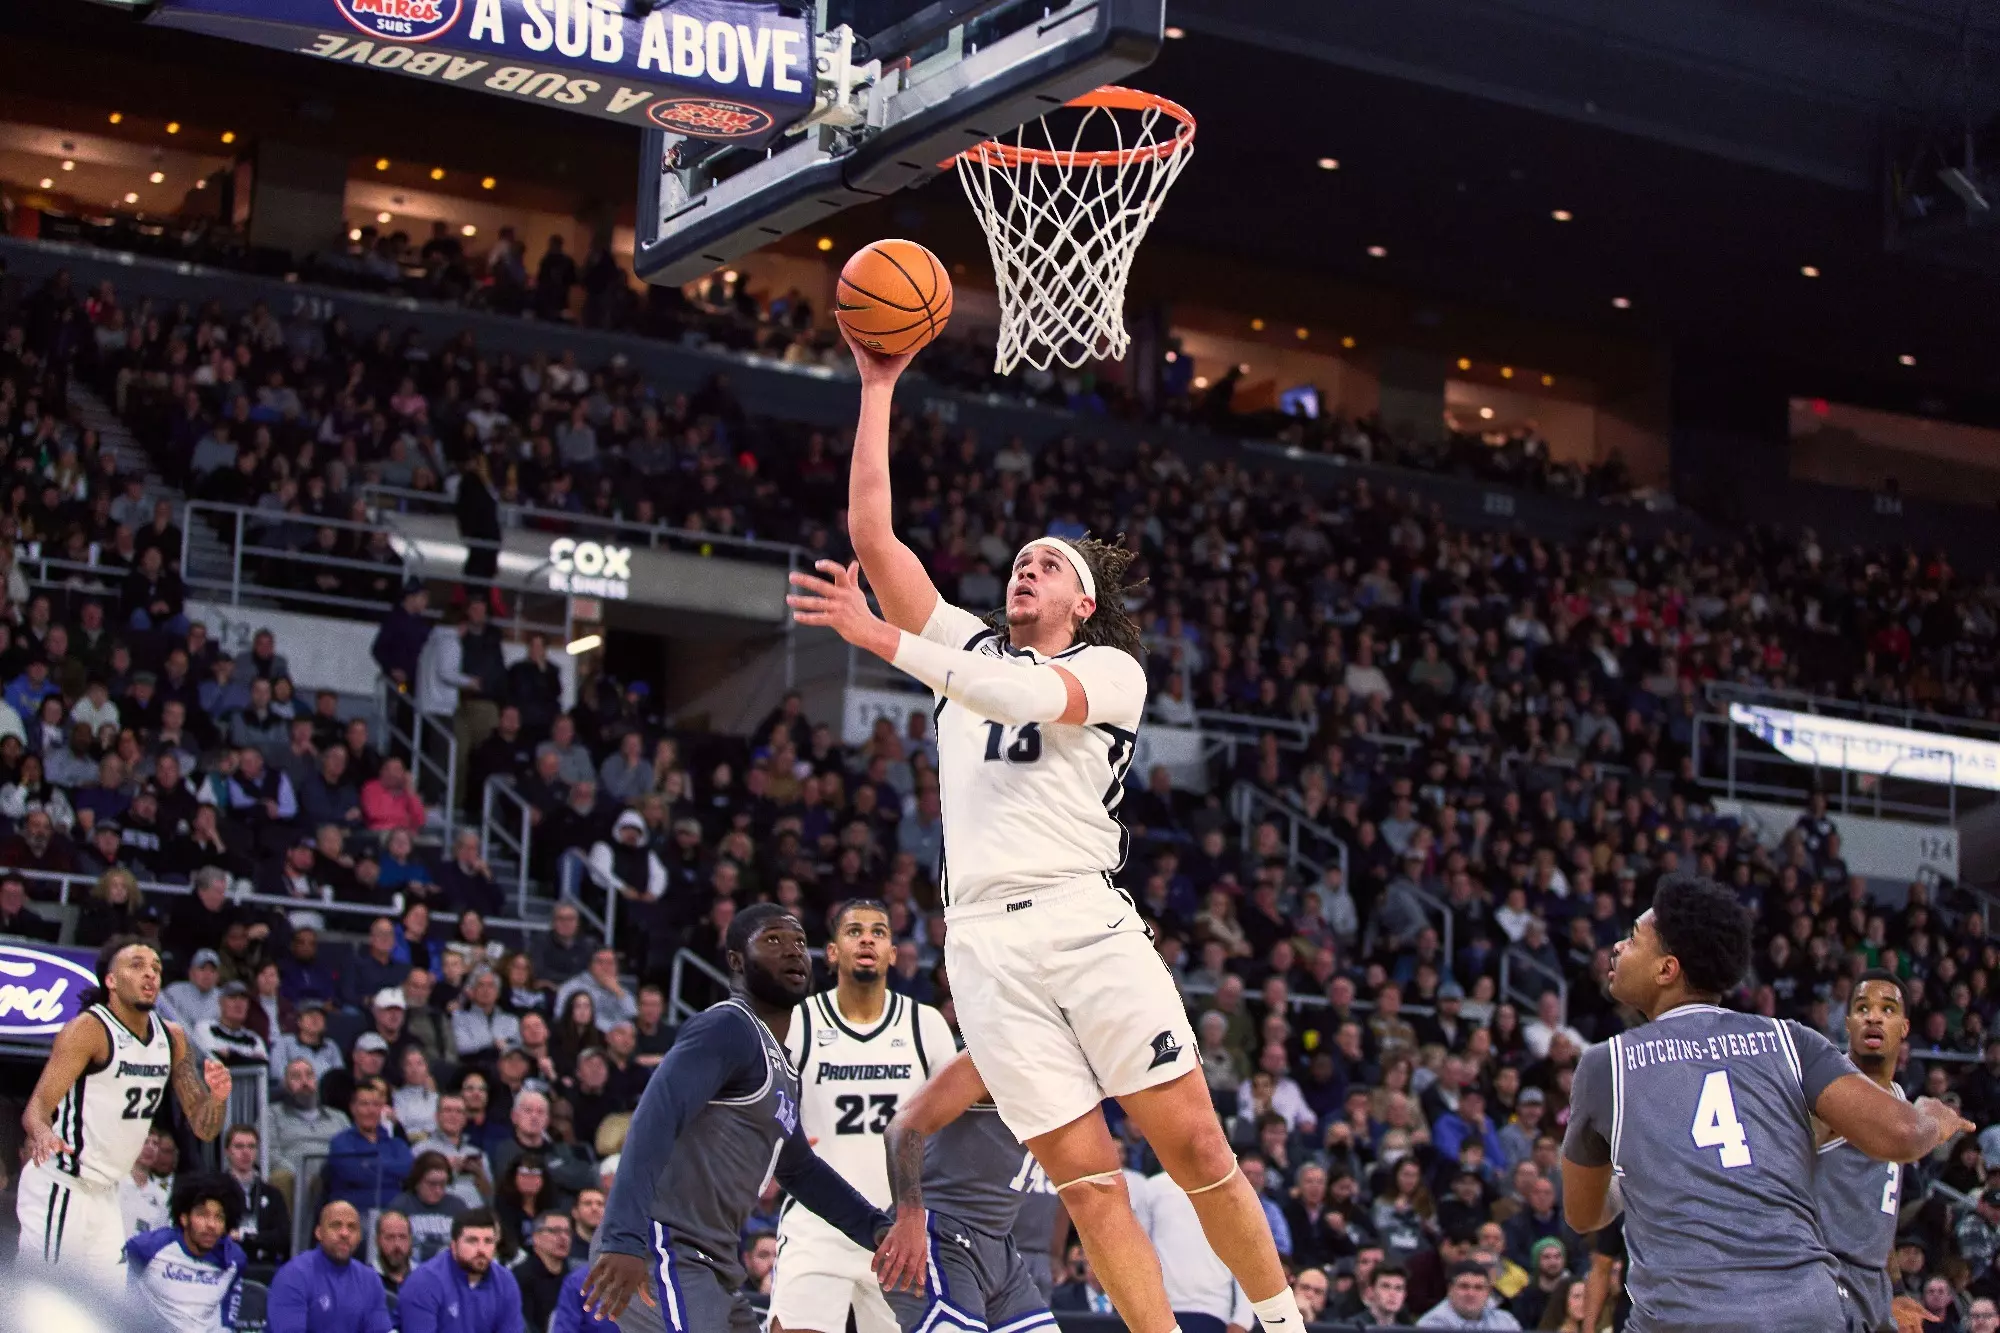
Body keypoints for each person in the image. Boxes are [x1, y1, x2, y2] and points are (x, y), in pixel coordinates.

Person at [809, 333, 1303, 1333]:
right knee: (1088, 1183)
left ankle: (1285, 1323)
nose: (1026, 569)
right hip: (983, 944)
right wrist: (877, 384)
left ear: (1083, 601)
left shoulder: (1111, 671)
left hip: (1083, 920)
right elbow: (872, 535)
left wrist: (884, 639)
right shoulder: (964, 642)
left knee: (1197, 1148)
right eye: (1020, 561)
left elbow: (1008, 693)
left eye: (1049, 564)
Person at [1562, 874, 1972, 1333]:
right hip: (1806, 1313)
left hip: (1686, 1318)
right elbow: (1904, 1135)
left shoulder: (1606, 1065)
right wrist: (1933, 1116)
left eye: (1633, 938)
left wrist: (1632, 1178)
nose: (1618, 947)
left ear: (1667, 970)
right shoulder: (1788, 1040)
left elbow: (1582, 1214)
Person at [578, 903, 893, 1331]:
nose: (793, 951)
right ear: (736, 961)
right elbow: (655, 1117)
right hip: (663, 1243)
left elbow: (800, 1169)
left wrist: (876, 1229)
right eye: (773, 940)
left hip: (714, 1263)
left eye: (800, 942)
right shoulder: (727, 1027)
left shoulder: (784, 1066)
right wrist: (623, 1236)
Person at [773, 898, 955, 1333]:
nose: (867, 940)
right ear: (832, 952)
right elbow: (765, 1113)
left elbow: (952, 1130)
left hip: (901, 1228)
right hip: (817, 1223)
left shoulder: (925, 1025)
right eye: (854, 931)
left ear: (893, 953)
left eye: (879, 932)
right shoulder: (798, 1022)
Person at [17, 935, 232, 1282]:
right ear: (111, 981)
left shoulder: (172, 1038)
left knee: (105, 1305)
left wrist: (217, 1098)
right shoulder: (89, 1030)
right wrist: (43, 1134)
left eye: (156, 968)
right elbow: (36, 1108)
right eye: (137, 965)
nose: (150, 974)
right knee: (41, 1298)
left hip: (107, 1193)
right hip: (63, 1183)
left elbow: (203, 1128)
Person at [873, 1049, 1060, 1333]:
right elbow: (903, 1127)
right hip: (939, 1235)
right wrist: (909, 1216)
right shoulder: (995, 1055)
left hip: (1000, 1248)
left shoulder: (1078, 1080)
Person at [1815, 969, 1933, 1333]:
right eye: (1862, 1008)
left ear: (1904, 1027)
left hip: (1872, 1282)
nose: (1873, 1017)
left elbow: (1880, 1217)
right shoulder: (1825, 1094)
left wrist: (1896, 1290)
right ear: (1848, 1023)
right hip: (1824, 1274)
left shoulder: (1900, 1102)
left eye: (1887, 1009)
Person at [126, 1172, 249, 1333]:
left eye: (219, 1217)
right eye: (203, 1215)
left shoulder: (233, 1259)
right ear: (184, 1218)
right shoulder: (147, 1248)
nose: (211, 1225)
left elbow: (228, 1316)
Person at [267, 1200, 395, 1333]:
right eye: (336, 1225)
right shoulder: (294, 1275)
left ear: (359, 1237)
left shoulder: (370, 1280)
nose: (345, 1233)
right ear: (319, 1232)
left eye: (352, 1227)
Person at [395, 1208, 524, 1333]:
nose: (481, 1249)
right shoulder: (424, 1282)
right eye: (472, 1241)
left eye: (488, 1241)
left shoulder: (505, 1281)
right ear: (453, 1245)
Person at [221, 1122, 292, 1265]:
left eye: (251, 1146)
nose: (246, 1152)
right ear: (227, 1151)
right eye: (239, 1146)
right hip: (226, 1264)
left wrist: (243, 1236)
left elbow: (283, 1237)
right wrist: (261, 1238)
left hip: (266, 1266)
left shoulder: (272, 1193)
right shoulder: (217, 1190)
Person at [511, 1209, 577, 1331]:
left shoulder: (575, 1276)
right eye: (555, 1231)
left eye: (567, 1232)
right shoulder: (521, 1277)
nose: (563, 1237)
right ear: (536, 1237)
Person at [1414, 1261, 1520, 1329]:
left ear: (1488, 1292)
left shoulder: (1505, 1320)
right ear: (1450, 1289)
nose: (1471, 1294)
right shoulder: (1431, 1324)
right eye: (1464, 1286)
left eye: (1478, 1288)